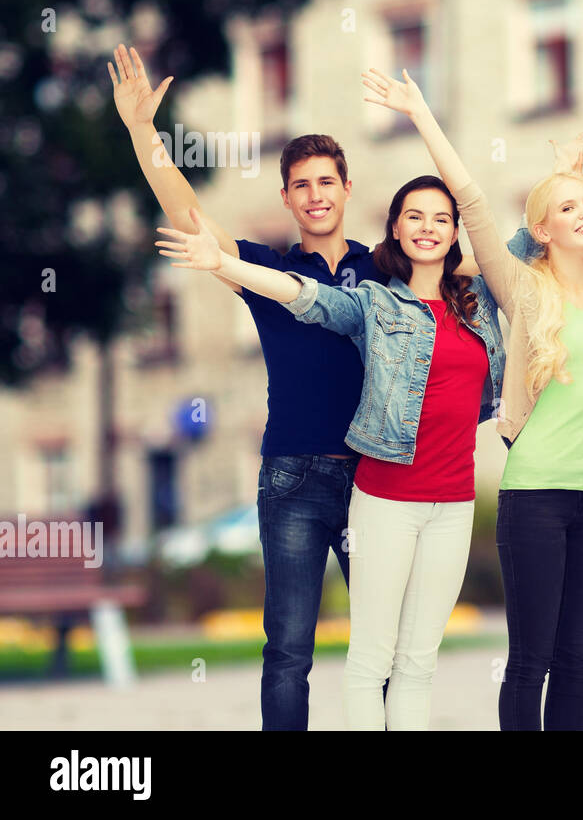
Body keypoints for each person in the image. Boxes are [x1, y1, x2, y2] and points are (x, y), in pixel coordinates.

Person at [360, 49, 583, 730]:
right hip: (535, 498)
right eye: (569, 206)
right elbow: (471, 201)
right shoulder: (520, 288)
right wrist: (419, 112)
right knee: (531, 661)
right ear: (544, 228)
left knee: (575, 659)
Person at [154, 172, 511, 729]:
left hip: (450, 501)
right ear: (394, 225)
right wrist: (220, 262)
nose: (428, 227)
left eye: (442, 218)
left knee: (414, 662)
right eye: (415, 216)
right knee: (325, 654)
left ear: (348, 189)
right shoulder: (371, 299)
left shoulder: (474, 299)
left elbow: (520, 250)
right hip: (359, 487)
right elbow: (304, 296)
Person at [109, 43, 380, 730]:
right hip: (291, 476)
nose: (316, 195)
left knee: (384, 647)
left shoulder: (384, 271)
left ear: (347, 190)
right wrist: (145, 133)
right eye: (303, 186)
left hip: (373, 477)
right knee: (288, 649)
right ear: (287, 198)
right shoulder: (265, 272)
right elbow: (189, 216)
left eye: (328, 182)